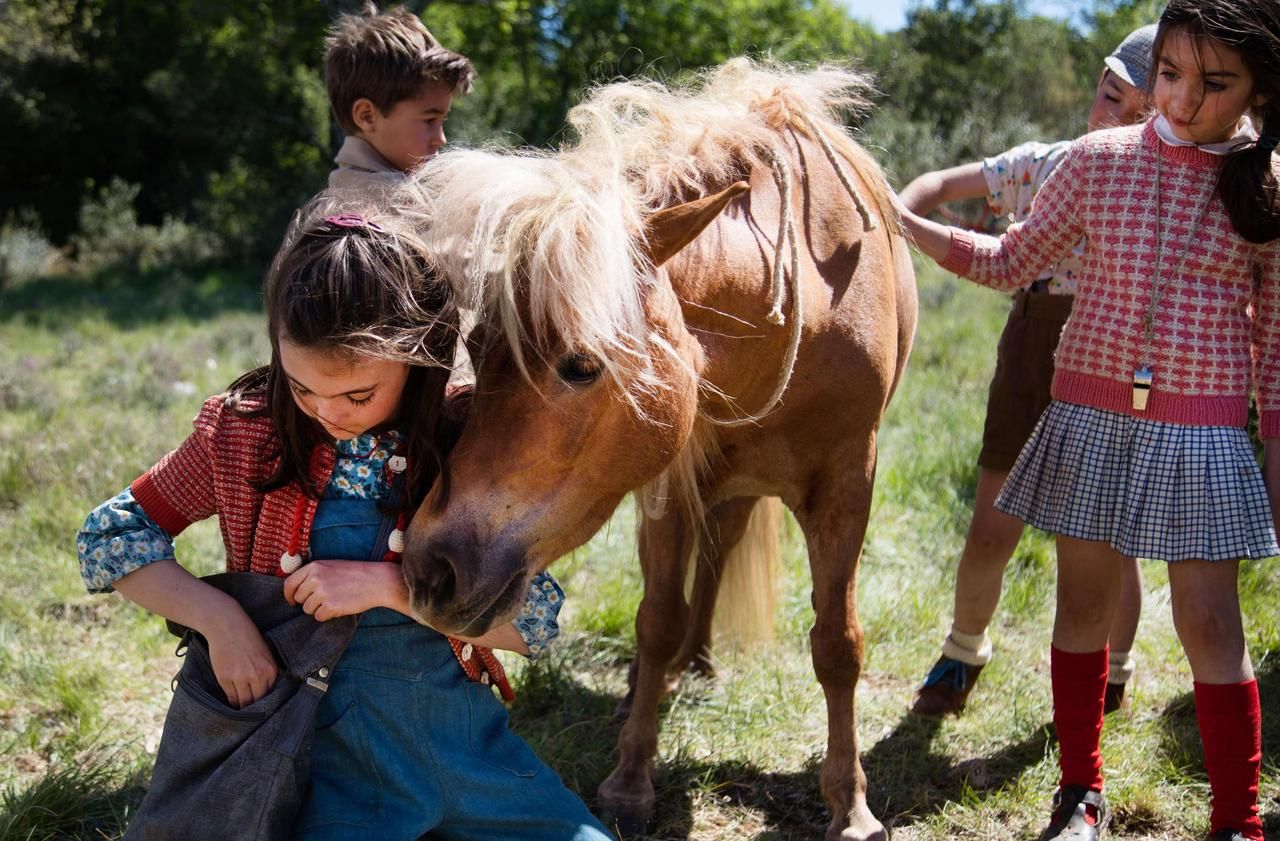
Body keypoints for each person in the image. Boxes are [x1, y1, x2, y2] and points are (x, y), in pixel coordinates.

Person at [76, 198, 615, 841]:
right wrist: (220, 621)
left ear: (419, 357)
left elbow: (532, 624)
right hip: (328, 768)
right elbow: (111, 536)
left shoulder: (465, 440)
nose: (327, 413)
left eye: (358, 394)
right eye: (302, 387)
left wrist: (391, 588)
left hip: (469, 757)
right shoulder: (245, 432)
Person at [896, 0, 1279, 837]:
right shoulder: (1097, 160)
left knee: (1211, 621)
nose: (1182, 100)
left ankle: (1239, 820)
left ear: (1259, 89)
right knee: (1082, 608)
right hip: (1090, 414)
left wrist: (1277, 461)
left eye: (1215, 84)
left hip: (1205, 433)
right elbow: (1012, 259)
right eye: (1169, 75)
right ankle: (1080, 792)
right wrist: (912, 227)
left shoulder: (1267, 187)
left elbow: (1276, 348)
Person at [901, 24, 1157, 719]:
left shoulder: (1159, 193)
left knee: (1114, 538)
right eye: (1110, 96)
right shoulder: (1045, 166)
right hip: (1032, 346)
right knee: (992, 523)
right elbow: (939, 184)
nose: (1114, 119)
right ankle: (961, 654)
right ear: (1096, 85)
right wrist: (899, 215)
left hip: (1114, 357)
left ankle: (1113, 672)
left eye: (1139, 114)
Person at [324, 3, 474, 190]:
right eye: (429, 120)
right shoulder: (389, 204)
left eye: (442, 120)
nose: (441, 138)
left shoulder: (344, 191)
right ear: (366, 116)